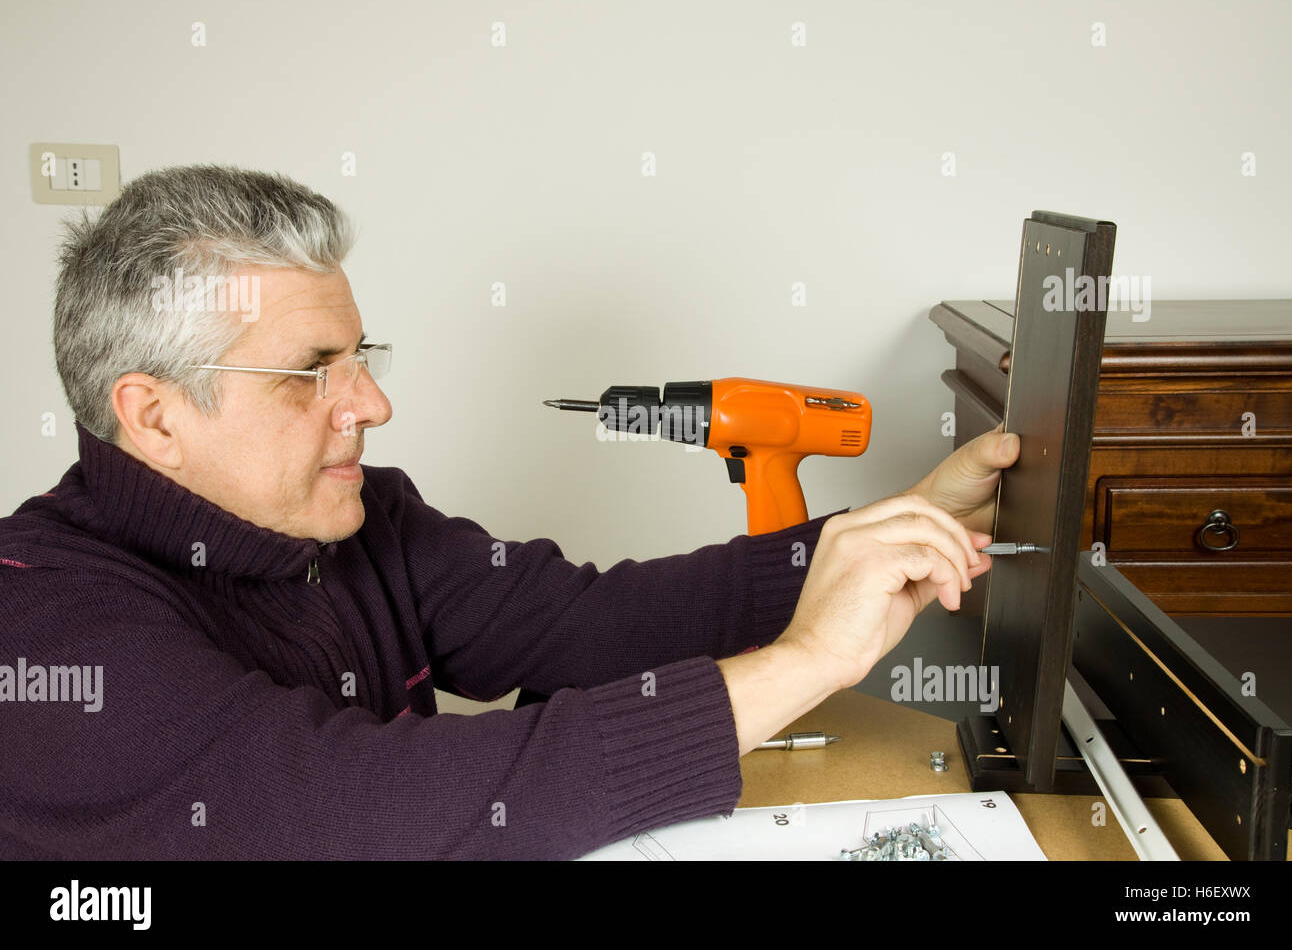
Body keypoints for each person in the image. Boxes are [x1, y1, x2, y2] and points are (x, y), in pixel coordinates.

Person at [0, 164, 1019, 859]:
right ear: (155, 414)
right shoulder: (45, 631)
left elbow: (590, 622)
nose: (372, 403)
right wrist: (805, 661)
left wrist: (884, 529)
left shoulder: (358, 521)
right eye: (311, 372)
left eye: (363, 358)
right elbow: (353, 809)